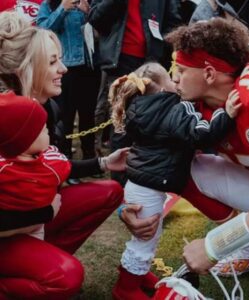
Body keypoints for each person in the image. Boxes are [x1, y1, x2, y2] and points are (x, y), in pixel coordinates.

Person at [0, 11, 127, 299]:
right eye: (54, 61)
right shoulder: (6, 118)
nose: (65, 69)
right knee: (68, 278)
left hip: (29, 218)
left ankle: (41, 257)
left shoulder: (46, 108)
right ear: (28, 68)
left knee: (109, 190)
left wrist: (105, 162)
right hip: (10, 228)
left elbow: (50, 167)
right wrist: (43, 213)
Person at [162, 18, 249, 274]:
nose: (174, 78)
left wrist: (217, 244)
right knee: (182, 168)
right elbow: (158, 162)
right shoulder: (194, 108)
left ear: (209, 74)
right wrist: (144, 206)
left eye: (181, 70)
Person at [109, 61, 240, 299]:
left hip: (139, 184)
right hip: (150, 186)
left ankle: (137, 274)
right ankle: (125, 288)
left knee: (146, 236)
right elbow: (202, 133)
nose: (177, 81)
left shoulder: (138, 107)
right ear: (162, 89)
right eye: (172, 77)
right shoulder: (174, 108)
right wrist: (226, 113)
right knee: (145, 239)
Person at [88, 0, 182, 186]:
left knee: (152, 124)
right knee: (120, 127)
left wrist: (162, 48)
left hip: (152, 66)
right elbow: (96, 19)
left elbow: (174, 22)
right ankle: (121, 188)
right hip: (118, 63)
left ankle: (147, 182)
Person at [37, 0, 101, 169]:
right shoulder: (49, 5)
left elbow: (102, 28)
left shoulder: (87, 2)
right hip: (64, 68)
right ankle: (64, 158)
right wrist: (62, 9)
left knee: (88, 113)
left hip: (89, 67)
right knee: (65, 115)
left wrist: (89, 13)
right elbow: (43, 32)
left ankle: (89, 156)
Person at [0, 92, 70, 240]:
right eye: (44, 130)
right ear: (27, 140)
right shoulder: (51, 164)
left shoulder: (3, 167)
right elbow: (65, 166)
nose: (48, 133)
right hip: (36, 226)